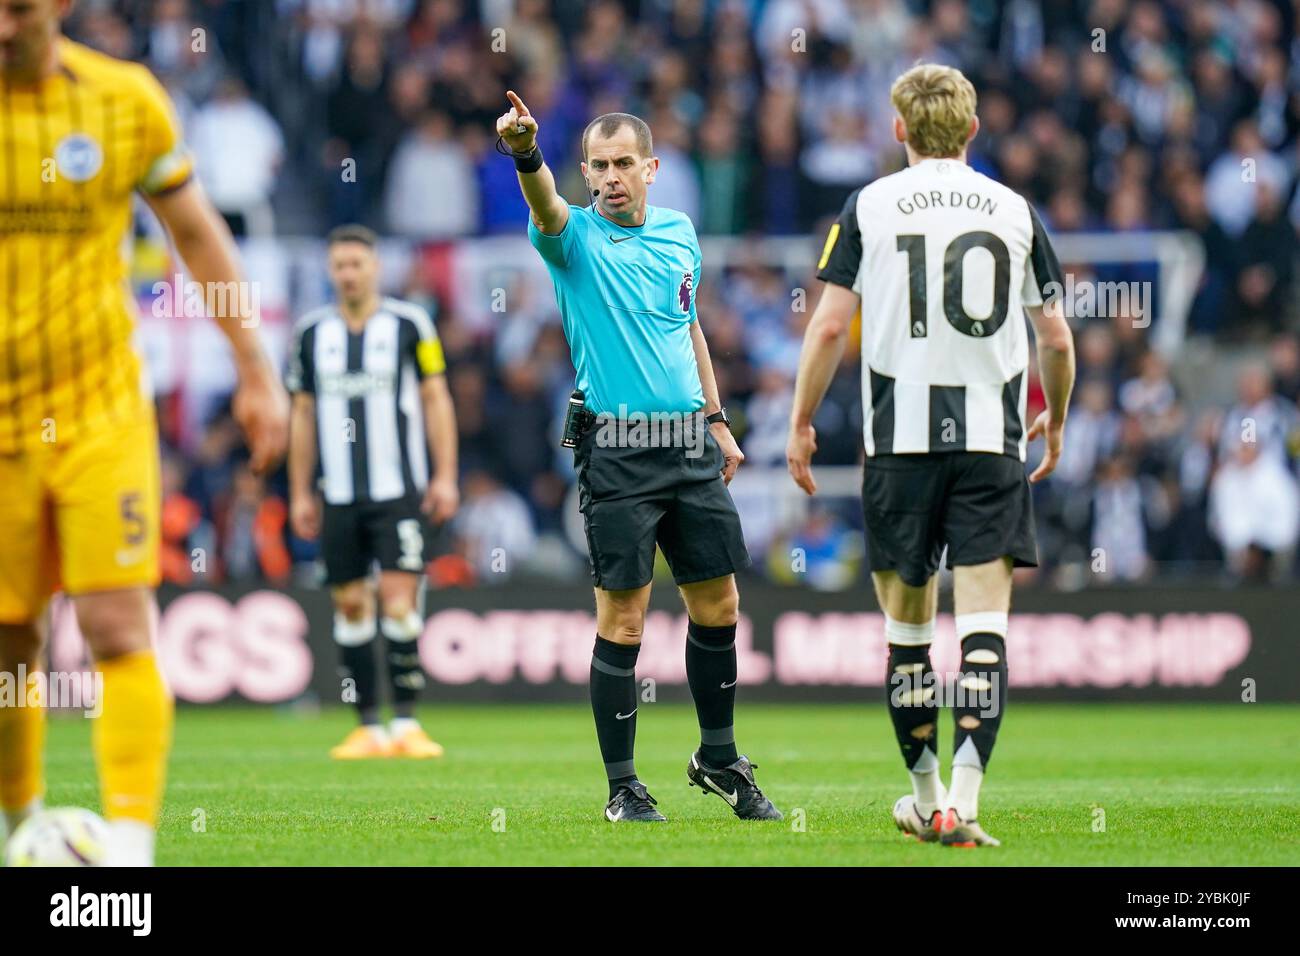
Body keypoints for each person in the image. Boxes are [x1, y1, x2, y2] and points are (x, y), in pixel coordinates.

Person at [0, 0, 288, 866]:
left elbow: (196, 234)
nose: (2, 27)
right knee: (11, 637)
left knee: (118, 626)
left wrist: (255, 371)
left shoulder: (126, 99)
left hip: (98, 408)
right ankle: (19, 825)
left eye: (15, 9)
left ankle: (127, 850)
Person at [786, 63, 1075, 848]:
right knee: (985, 629)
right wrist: (1054, 421)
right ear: (974, 129)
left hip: (899, 451)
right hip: (991, 446)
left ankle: (924, 797)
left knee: (909, 636)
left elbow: (825, 329)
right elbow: (1054, 336)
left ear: (899, 130)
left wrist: (802, 421)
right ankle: (968, 803)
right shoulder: (1013, 209)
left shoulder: (869, 205)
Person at [496, 90, 780, 823]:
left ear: (652, 168)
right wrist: (527, 152)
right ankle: (623, 786)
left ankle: (717, 758)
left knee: (719, 606)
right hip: (616, 450)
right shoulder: (571, 237)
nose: (612, 176)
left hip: (688, 441)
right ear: (586, 174)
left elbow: (687, 331)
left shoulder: (681, 233)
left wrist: (717, 420)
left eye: (625, 163)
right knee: (624, 621)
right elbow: (546, 203)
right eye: (599, 165)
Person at [286, 225, 459, 759]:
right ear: (329, 272)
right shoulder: (311, 334)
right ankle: (367, 725)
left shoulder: (411, 324)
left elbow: (436, 400)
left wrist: (445, 475)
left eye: (357, 264)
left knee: (399, 599)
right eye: (339, 265)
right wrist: (299, 492)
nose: (348, 274)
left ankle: (406, 722)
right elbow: (302, 414)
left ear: (375, 267)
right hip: (337, 494)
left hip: (398, 490)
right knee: (351, 602)